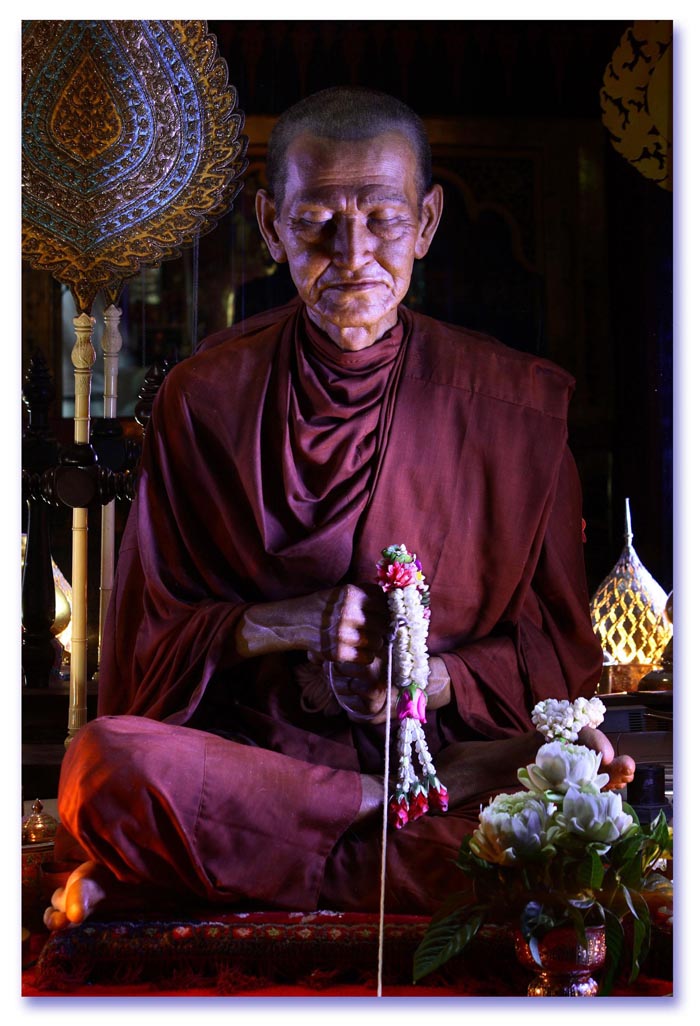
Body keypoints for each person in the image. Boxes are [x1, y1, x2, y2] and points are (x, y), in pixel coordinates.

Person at [45, 87, 634, 931]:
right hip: (258, 764)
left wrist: (432, 680)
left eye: (383, 220)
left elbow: (556, 663)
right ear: (271, 225)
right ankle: (374, 819)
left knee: (576, 774)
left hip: (447, 755)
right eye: (316, 219)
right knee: (103, 765)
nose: (352, 254)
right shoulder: (205, 398)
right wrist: (287, 623)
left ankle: (201, 874)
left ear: (426, 223)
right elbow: (147, 655)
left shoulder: (513, 407)